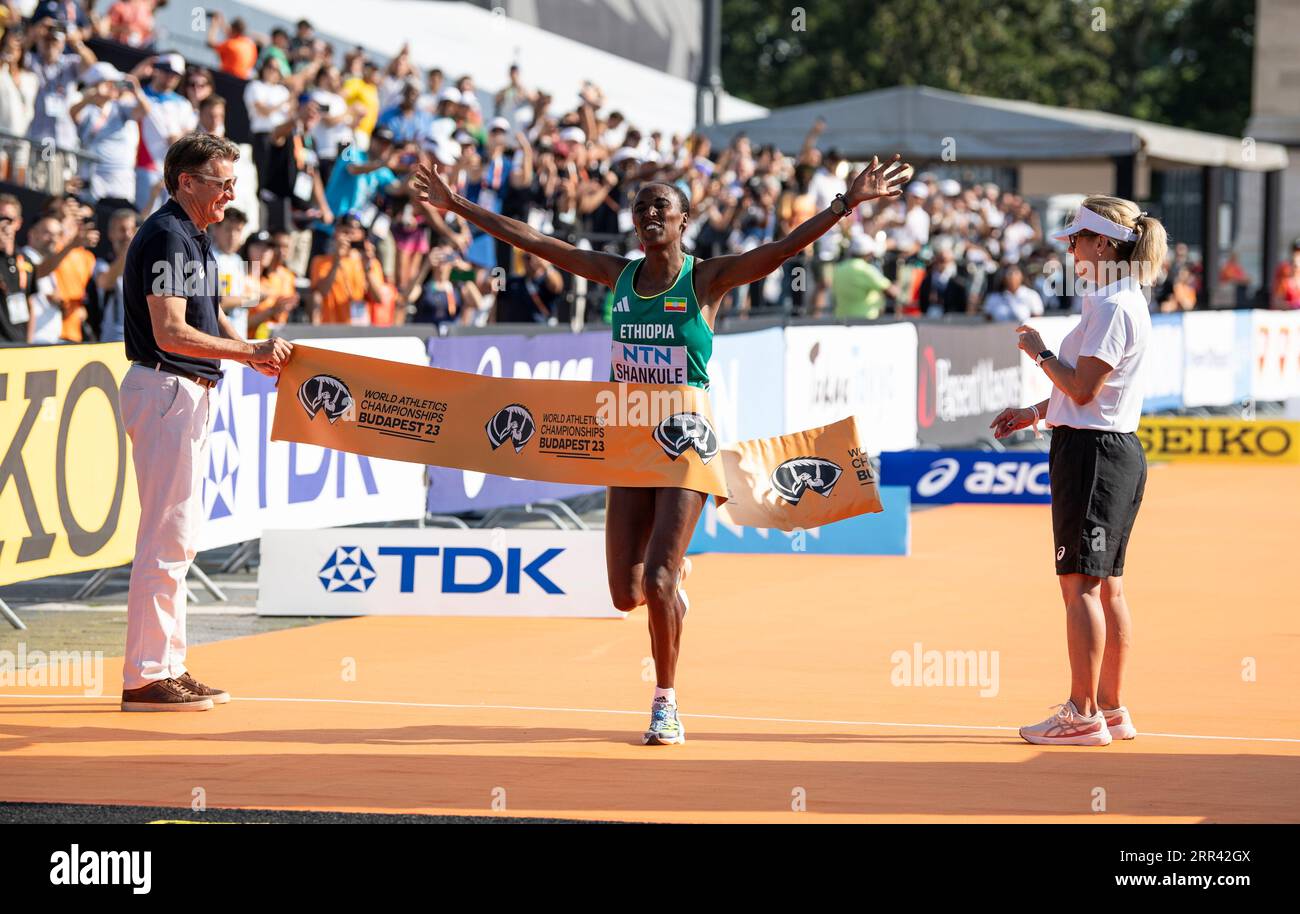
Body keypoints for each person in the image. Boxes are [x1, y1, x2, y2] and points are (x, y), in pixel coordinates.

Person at [412, 150, 911, 744]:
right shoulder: (616, 275)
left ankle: (665, 702)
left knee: (657, 582)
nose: (651, 214)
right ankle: (670, 586)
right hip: (627, 439)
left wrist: (845, 203)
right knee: (626, 594)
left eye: (662, 207)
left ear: (683, 220)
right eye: (642, 207)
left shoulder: (706, 278)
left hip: (686, 444)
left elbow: (779, 253)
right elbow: (536, 241)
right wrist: (458, 206)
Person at [118, 132, 291, 711]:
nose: (230, 194)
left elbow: (208, 317)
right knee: (165, 539)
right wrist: (249, 353)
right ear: (186, 181)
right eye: (222, 183)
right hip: (168, 386)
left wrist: (252, 351)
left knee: (179, 538)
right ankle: (146, 675)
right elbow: (170, 330)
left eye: (233, 183)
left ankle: (167, 665)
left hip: (182, 390)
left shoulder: (191, 237)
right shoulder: (169, 234)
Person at [990, 195, 1168, 747]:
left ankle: (1082, 713)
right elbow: (1089, 393)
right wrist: (1035, 412)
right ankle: (1109, 710)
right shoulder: (1115, 300)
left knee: (1081, 591)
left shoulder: (1114, 307)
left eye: (1076, 240)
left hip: (1092, 458)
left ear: (1104, 245)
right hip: (1109, 450)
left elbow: (1085, 389)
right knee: (1106, 589)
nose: (1069, 248)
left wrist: (1040, 353)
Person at [307, 212, 385, 324]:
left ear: (362, 235)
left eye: (354, 232)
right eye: (345, 232)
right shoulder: (320, 261)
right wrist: (336, 260)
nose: (350, 236)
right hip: (330, 326)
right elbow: (320, 293)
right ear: (335, 233)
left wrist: (367, 269)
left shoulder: (371, 262)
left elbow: (379, 299)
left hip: (360, 329)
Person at [84, 207, 137, 342]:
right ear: (111, 233)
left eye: (131, 230)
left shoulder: (143, 263)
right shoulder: (102, 263)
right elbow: (105, 282)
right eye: (122, 230)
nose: (127, 235)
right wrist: (129, 249)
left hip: (139, 339)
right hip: (113, 338)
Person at [832, 233, 896, 320]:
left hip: (841, 319)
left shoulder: (839, 268)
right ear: (868, 253)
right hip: (864, 321)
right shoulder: (866, 270)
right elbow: (891, 291)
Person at [0, 193, 34, 343]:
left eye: (9, 220)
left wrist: (29, 343)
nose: (5, 225)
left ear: (18, 223)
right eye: (0, 219)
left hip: (18, 344)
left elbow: (30, 304)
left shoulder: (25, 260)